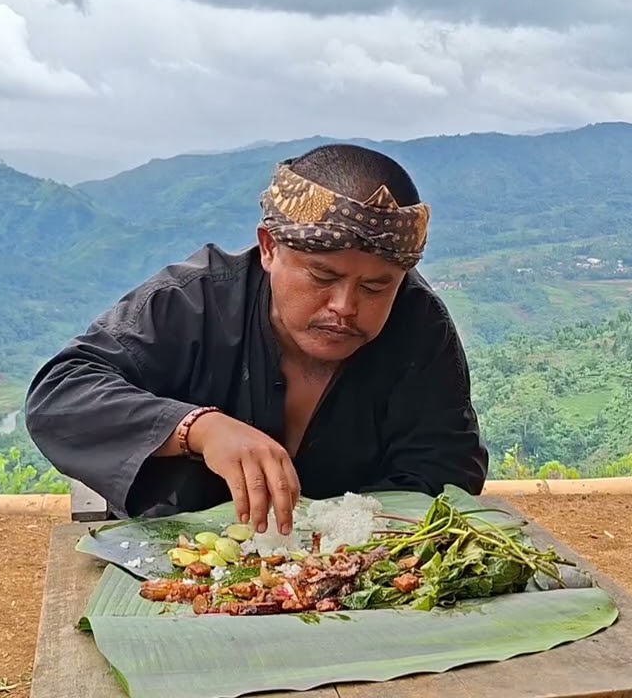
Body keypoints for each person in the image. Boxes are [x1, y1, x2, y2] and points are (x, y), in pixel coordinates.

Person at [25, 143, 489, 536]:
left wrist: (343, 539)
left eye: (376, 287)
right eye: (322, 275)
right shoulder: (192, 302)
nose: (345, 306)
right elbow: (60, 394)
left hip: (357, 572)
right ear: (269, 248)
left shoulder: (419, 325)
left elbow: (447, 467)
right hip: (180, 561)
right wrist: (197, 429)